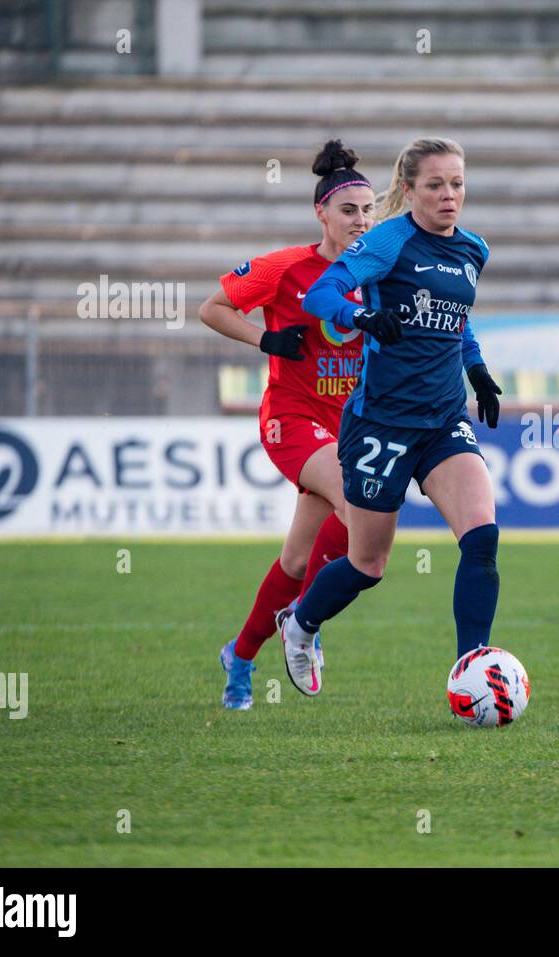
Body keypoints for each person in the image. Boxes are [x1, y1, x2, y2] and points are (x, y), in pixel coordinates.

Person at [274, 137, 504, 699]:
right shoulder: (387, 242)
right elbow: (321, 296)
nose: (449, 196)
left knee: (481, 538)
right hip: (381, 423)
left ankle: (471, 671)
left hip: (443, 419)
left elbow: (457, 321)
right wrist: (364, 316)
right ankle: (300, 624)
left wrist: (477, 371)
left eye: (457, 183)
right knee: (368, 564)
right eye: (435, 185)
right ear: (408, 189)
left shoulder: (473, 249)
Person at [197, 139, 376, 709]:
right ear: (321, 212)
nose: (360, 221)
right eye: (349, 210)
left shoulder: (377, 272)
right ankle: (306, 620)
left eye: (369, 211)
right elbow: (213, 307)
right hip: (292, 422)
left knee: (298, 562)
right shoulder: (284, 268)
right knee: (363, 508)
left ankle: (240, 657)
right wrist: (266, 339)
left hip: (348, 427)